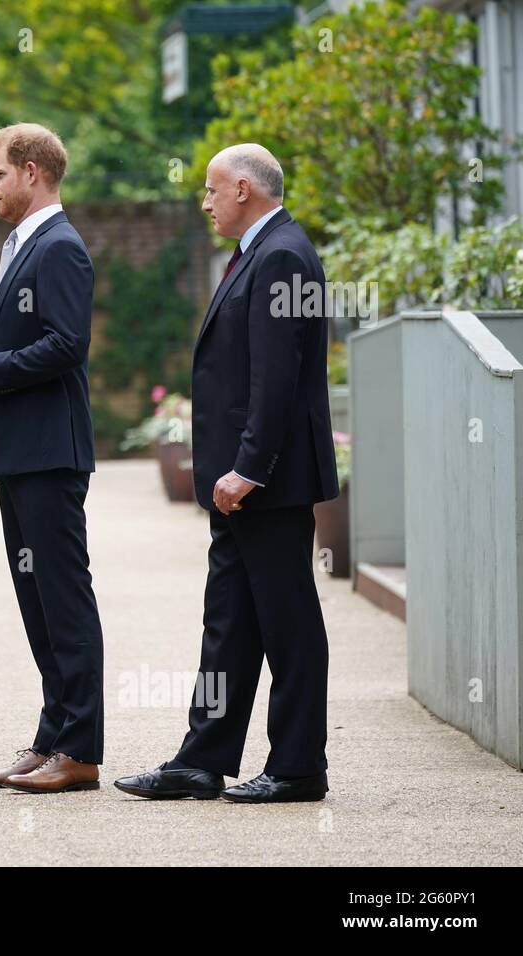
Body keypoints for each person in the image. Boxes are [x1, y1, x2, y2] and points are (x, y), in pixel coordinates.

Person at [114, 144, 338, 804]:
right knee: (230, 623)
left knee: (287, 621)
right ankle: (202, 759)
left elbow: (277, 380)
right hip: (244, 486)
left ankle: (298, 767)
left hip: (268, 483)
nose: (206, 204)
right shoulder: (260, 253)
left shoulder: (282, 256)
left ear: (244, 188)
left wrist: (248, 469)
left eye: (211, 192)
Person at [0, 123, 104, 794]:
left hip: (48, 455)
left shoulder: (60, 247)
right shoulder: (22, 244)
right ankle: (52, 737)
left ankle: (81, 752)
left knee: (63, 600)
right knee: (37, 601)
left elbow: (68, 344)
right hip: (20, 455)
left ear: (33, 172)